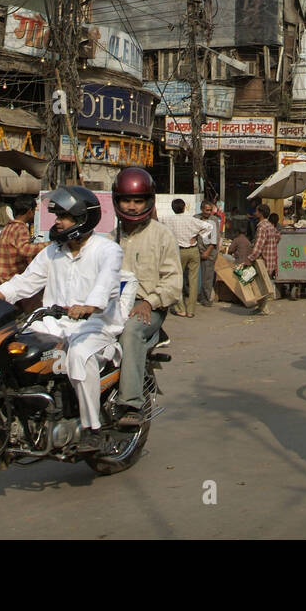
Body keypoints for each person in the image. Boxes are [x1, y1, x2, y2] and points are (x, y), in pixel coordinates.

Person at [0, 186, 125, 452]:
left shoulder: (107, 249)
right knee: (12, 349)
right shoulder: (53, 251)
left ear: (83, 219)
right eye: (57, 216)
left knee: (79, 355)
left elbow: (106, 283)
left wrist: (89, 306)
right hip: (51, 323)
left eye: (64, 217)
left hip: (95, 326)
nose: (58, 222)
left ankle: (91, 428)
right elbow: (24, 283)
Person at [111, 168, 182, 430]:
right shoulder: (112, 236)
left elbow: (174, 283)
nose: (131, 207)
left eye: (138, 201)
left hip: (148, 308)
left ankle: (131, 403)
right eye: (126, 200)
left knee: (130, 333)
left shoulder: (161, 235)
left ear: (148, 201)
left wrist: (149, 302)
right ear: (116, 201)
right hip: (114, 306)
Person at [158, 198, 209, 318]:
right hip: (193, 250)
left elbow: (156, 221)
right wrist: (197, 236)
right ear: (184, 207)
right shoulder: (192, 220)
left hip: (178, 251)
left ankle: (180, 308)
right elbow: (208, 227)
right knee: (193, 280)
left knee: (177, 279)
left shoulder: (168, 219)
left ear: (172, 208)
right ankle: (191, 310)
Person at [0, 196, 47, 284]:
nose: (34, 215)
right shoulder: (21, 228)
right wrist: (48, 244)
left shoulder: (7, 227)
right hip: (14, 280)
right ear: (30, 211)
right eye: (34, 211)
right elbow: (25, 250)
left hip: (3, 278)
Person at [248, 203, 281, 311]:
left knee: (259, 283)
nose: (255, 213)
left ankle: (263, 307)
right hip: (271, 259)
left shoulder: (262, 227)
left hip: (263, 260)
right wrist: (271, 245)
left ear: (261, 213)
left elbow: (259, 245)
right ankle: (262, 306)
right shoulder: (270, 225)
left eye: (256, 211)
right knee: (264, 283)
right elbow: (278, 236)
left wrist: (250, 258)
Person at [197, 199, 221, 306]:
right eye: (206, 210)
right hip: (197, 250)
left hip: (209, 252)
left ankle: (206, 299)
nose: (208, 212)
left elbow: (214, 238)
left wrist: (207, 251)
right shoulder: (196, 218)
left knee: (207, 277)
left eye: (210, 210)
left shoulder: (214, 219)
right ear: (202, 209)